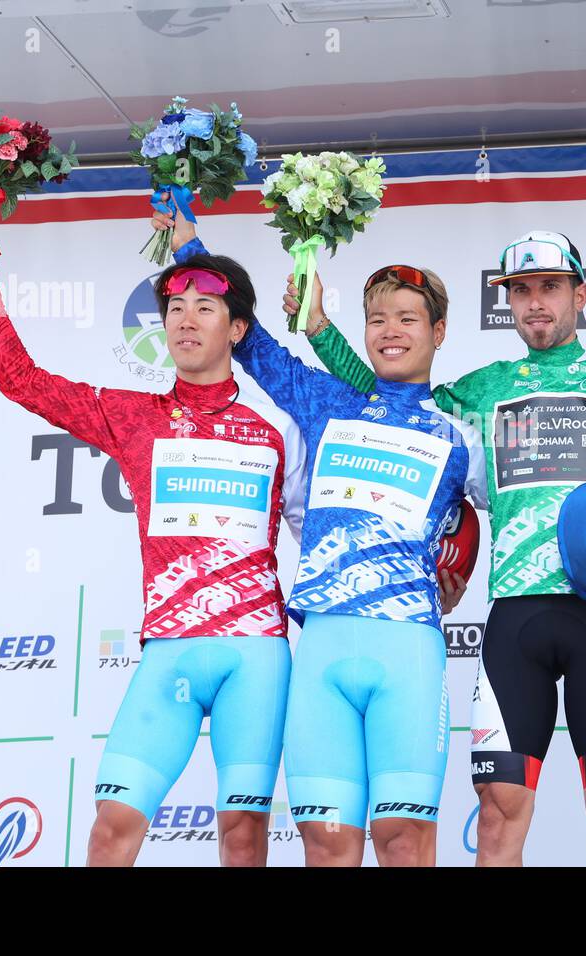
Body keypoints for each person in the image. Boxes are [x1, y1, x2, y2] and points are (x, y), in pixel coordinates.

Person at [0, 218, 305, 867]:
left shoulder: (278, 428)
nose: (185, 320)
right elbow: (21, 380)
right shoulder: (132, 415)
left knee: (244, 836)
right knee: (113, 827)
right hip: (167, 651)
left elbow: (313, 536)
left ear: (238, 330)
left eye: (205, 307)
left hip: (255, 654)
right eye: (173, 307)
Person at [306, 231, 586, 866]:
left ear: (580, 294)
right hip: (515, 617)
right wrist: (320, 331)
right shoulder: (477, 390)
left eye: (550, 287)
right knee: (498, 815)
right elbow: (385, 392)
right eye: (521, 291)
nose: (535, 303)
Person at [163, 210, 488, 866]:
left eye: (408, 318)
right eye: (378, 319)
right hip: (324, 650)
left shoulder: (465, 433)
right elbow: (254, 349)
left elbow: (518, 515)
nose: (391, 332)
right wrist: (190, 247)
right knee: (328, 845)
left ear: (440, 331)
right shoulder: (328, 402)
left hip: (409, 651)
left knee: (404, 844)